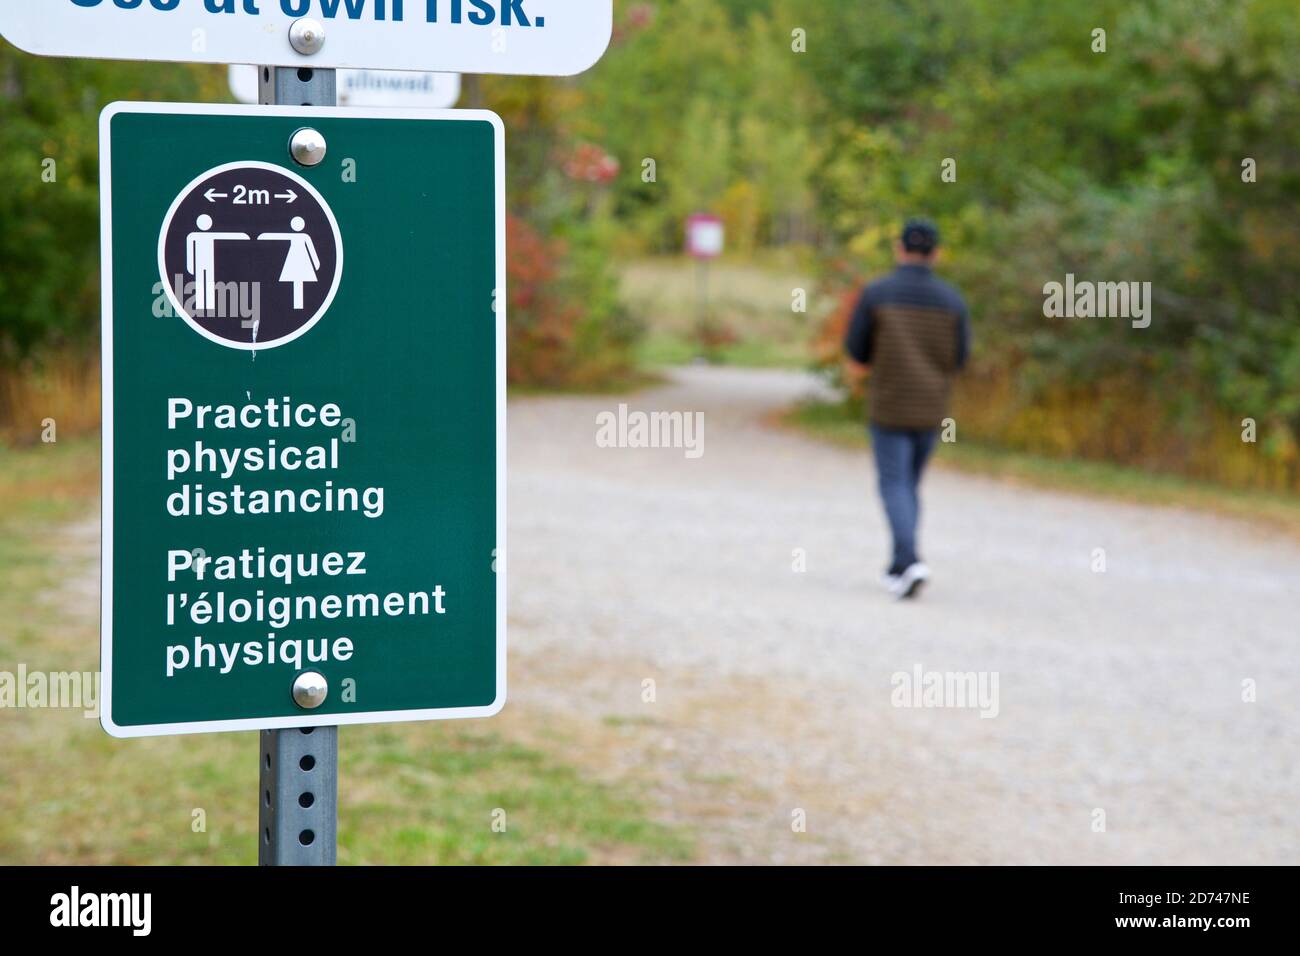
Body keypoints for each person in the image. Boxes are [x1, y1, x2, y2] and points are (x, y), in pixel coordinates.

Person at [844, 218, 971, 599]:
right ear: (936, 253)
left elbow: (856, 349)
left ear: (899, 249)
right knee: (909, 485)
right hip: (932, 409)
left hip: (889, 405)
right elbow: (960, 358)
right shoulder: (952, 301)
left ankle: (910, 560)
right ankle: (900, 565)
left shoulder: (877, 294)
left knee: (894, 485)